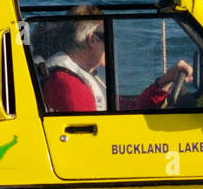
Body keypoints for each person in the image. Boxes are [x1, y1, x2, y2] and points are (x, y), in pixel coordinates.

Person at [43, 6, 191, 113]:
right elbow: (87, 139)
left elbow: (126, 108)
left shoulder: (82, 75)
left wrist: (164, 82)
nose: (113, 43)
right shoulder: (68, 84)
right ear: (93, 40)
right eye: (108, 37)